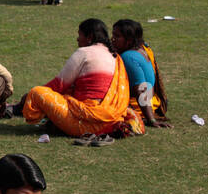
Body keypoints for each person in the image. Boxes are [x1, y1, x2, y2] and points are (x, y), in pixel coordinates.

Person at [8, 18, 143, 140]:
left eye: (79, 35)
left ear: (89, 37)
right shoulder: (115, 56)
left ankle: (16, 110)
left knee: (37, 92)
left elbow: (58, 85)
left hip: (86, 124)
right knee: (70, 90)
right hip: (112, 121)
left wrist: (26, 99)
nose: (77, 39)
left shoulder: (83, 53)